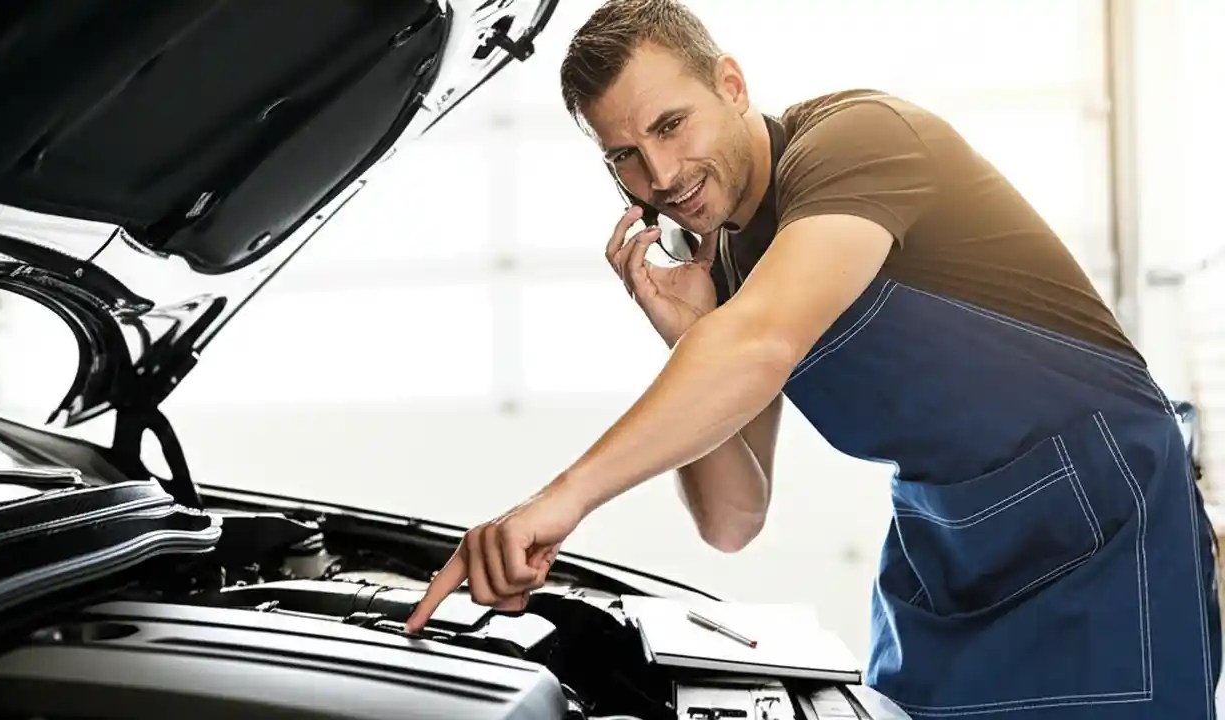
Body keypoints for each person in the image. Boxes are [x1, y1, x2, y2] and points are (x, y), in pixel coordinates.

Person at [405, 0, 1222, 715]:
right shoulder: (721, 264)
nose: (659, 176)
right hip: (949, 547)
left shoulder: (855, 141)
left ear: (731, 84)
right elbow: (733, 519)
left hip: (1103, 522)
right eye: (622, 155)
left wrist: (560, 501)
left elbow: (762, 342)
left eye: (669, 125)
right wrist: (691, 337)